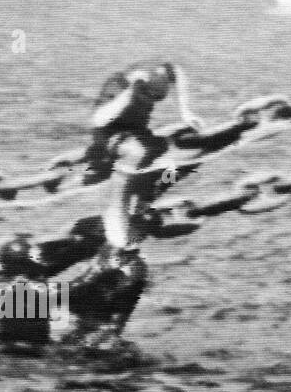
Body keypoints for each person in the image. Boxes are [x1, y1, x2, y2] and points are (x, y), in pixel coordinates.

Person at [72, 62, 205, 336]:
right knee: (140, 161)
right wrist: (129, 95)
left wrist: (186, 111)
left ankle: (147, 195)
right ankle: (99, 330)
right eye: (151, 98)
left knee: (177, 167)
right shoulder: (120, 89)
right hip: (113, 139)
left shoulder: (156, 75)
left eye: (158, 98)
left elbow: (177, 71)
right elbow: (99, 120)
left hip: (137, 137)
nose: (153, 103)